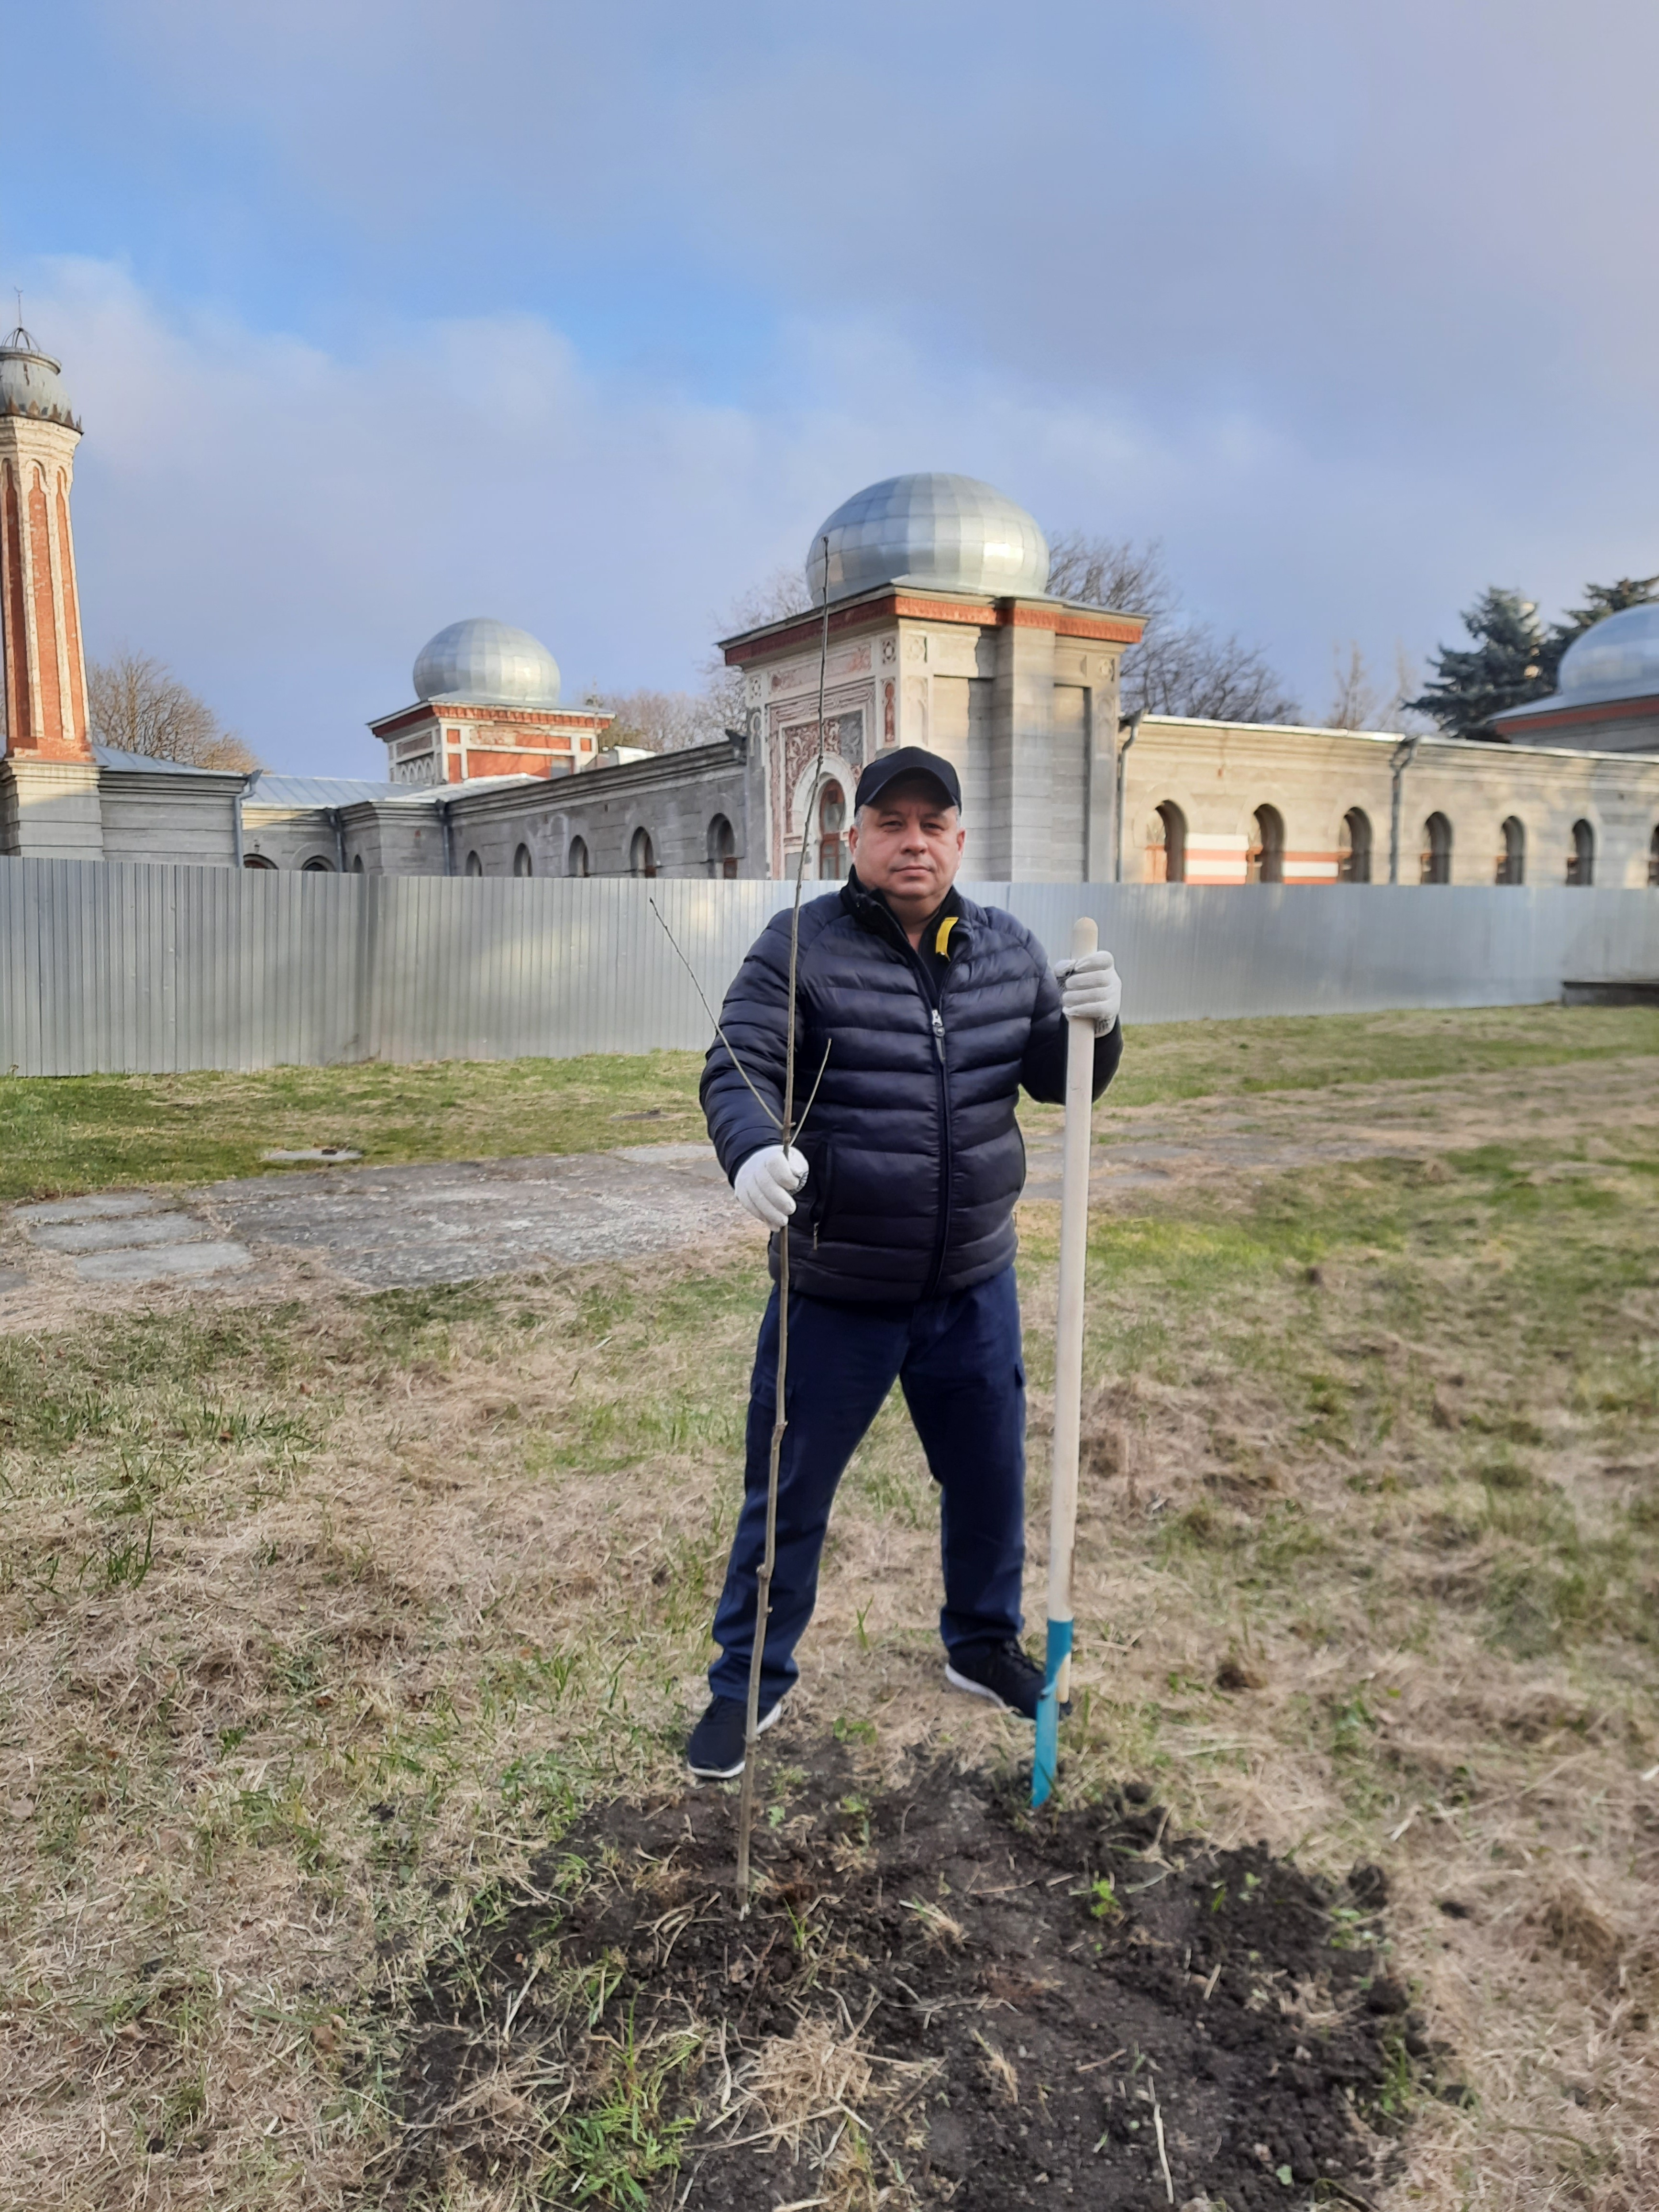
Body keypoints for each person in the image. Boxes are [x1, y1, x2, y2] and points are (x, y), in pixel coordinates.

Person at [687, 745, 1122, 1779]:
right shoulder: (800, 945)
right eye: (892, 823)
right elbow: (738, 1062)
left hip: (974, 1285)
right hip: (837, 1293)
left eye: (934, 824)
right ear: (857, 837)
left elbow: (1065, 1082)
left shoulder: (1007, 950)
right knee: (786, 1493)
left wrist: (1101, 1029)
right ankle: (746, 1687)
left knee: (989, 1479)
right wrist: (751, 1148)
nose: (913, 841)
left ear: (960, 840)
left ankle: (981, 1644)